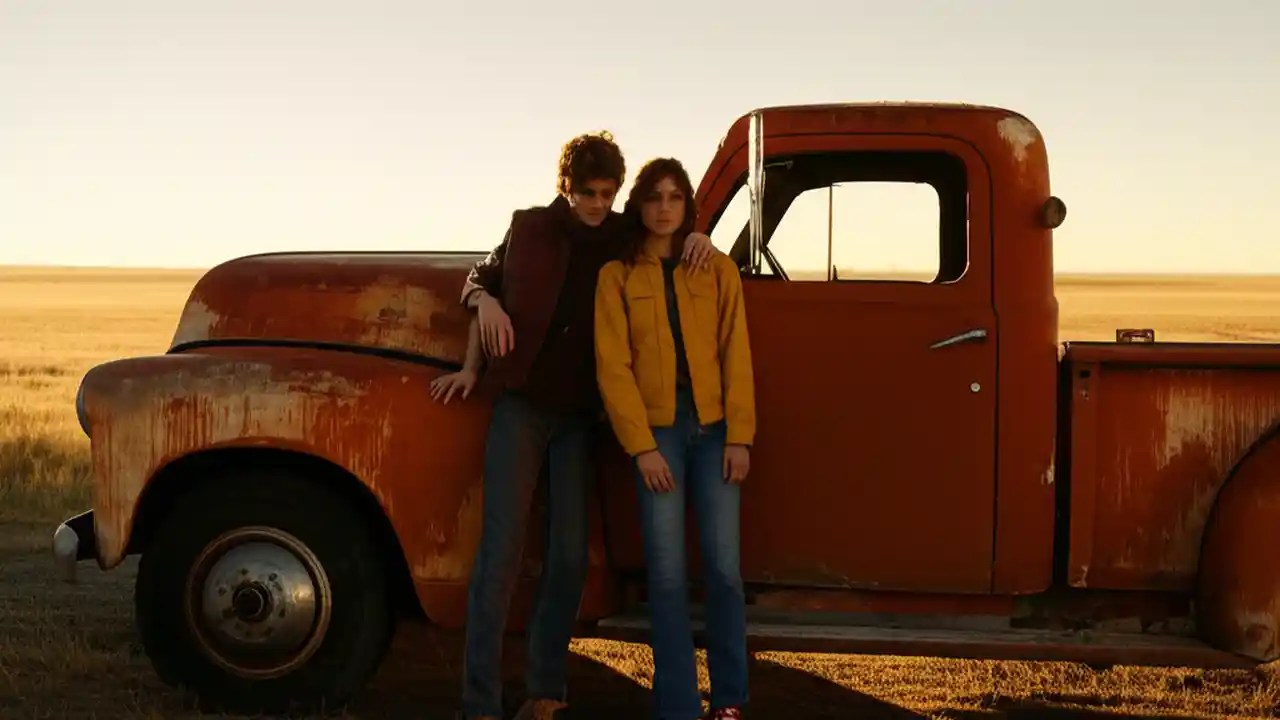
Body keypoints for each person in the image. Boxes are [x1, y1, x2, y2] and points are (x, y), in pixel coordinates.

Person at [429, 132, 721, 720]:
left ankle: (545, 692)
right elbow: (480, 275)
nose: (596, 203)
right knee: (500, 553)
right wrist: (480, 307)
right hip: (524, 403)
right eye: (587, 192)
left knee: (567, 556)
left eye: (607, 193)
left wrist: (698, 234)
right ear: (566, 187)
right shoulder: (530, 226)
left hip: (583, 417)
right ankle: (479, 704)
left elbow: (665, 235)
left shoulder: (620, 234)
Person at [593, 157, 755, 720]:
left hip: (715, 432)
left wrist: (741, 436)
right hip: (657, 433)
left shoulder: (715, 271)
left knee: (723, 568)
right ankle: (679, 708)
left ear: (688, 206)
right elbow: (612, 367)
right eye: (654, 198)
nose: (664, 208)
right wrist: (640, 446)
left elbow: (736, 352)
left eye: (675, 198)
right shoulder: (617, 276)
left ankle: (730, 701)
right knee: (666, 574)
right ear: (639, 206)